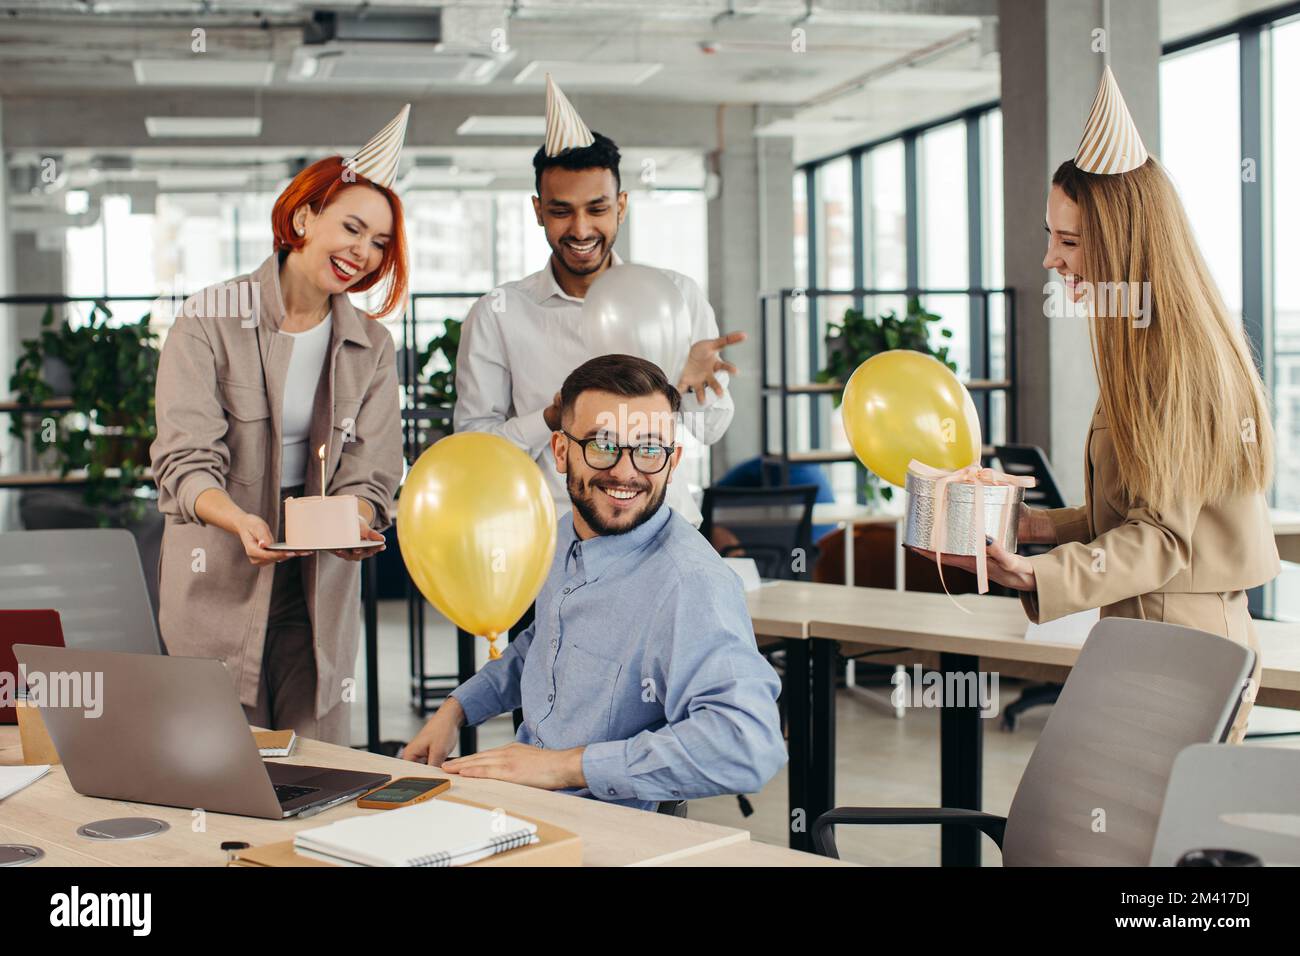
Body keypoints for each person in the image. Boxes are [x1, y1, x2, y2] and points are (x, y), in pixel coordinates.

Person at [925, 69, 1278, 743]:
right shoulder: (1145, 339)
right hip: (1155, 633)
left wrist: (1036, 573)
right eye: (1052, 237)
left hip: (1183, 646)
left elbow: (1165, 540)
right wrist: (1029, 527)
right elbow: (1138, 512)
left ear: (1121, 241)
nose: (1050, 259)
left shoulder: (1171, 355)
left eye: (1069, 241)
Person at [403, 354, 787, 811]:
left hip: (609, 831)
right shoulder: (561, 533)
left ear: (673, 459)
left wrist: (565, 767)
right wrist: (455, 710)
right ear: (562, 452)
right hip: (523, 807)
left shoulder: (691, 583)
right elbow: (543, 642)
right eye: (603, 445)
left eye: (648, 450)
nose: (626, 472)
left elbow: (747, 745)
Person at [149, 107, 409, 744]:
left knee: (315, 755)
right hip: (222, 565)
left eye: (378, 242)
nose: (363, 252)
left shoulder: (371, 345)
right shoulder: (208, 319)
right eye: (351, 227)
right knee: (224, 759)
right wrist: (238, 521)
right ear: (302, 218)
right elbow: (183, 462)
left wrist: (360, 521)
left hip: (319, 577)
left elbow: (374, 472)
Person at [454, 75, 742, 527]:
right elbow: (473, 449)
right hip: (552, 540)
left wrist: (689, 385)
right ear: (537, 211)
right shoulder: (498, 313)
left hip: (663, 530)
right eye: (561, 210)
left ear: (621, 206)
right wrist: (547, 419)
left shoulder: (677, 296)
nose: (581, 229)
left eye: (598, 208)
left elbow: (711, 430)